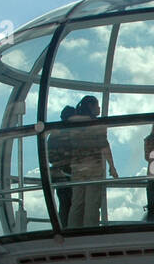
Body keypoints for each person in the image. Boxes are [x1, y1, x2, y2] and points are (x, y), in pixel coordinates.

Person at [66, 95, 117, 228]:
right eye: (97, 105)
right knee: (92, 204)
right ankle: (90, 231)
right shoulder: (97, 125)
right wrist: (112, 166)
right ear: (91, 106)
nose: (99, 108)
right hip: (94, 167)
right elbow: (104, 146)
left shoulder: (73, 123)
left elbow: (69, 122)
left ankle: (73, 232)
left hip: (77, 167)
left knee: (77, 203)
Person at [47, 105, 78, 226]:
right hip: (66, 174)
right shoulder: (67, 133)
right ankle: (69, 229)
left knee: (65, 204)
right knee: (69, 204)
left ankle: (65, 229)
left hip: (59, 174)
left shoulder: (53, 134)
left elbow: (49, 156)